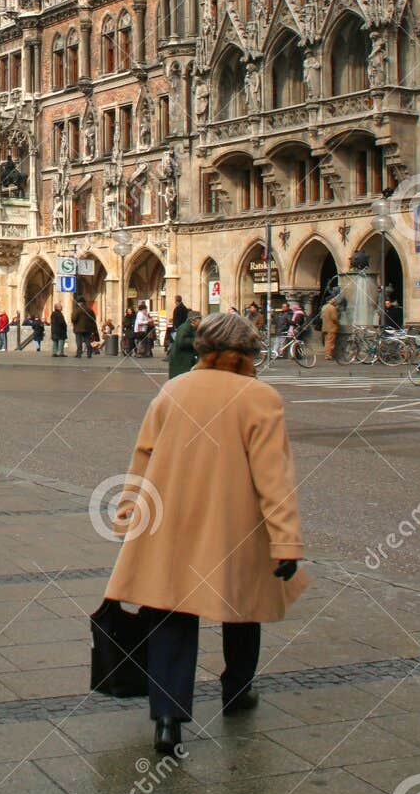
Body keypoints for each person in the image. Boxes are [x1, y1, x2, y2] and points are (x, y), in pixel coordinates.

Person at [104, 312, 305, 756]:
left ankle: (167, 719)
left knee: (171, 610)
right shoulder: (260, 397)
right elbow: (274, 477)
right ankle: (236, 690)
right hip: (235, 525)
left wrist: (128, 514)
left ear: (202, 350)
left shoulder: (173, 391)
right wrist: (285, 541)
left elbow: (143, 457)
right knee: (243, 606)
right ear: (249, 353)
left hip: (170, 522)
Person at [168, 309, 201, 379]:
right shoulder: (184, 328)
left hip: (187, 358)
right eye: (199, 319)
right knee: (180, 378)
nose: (201, 321)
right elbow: (181, 342)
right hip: (181, 359)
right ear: (193, 320)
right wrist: (196, 340)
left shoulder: (194, 328)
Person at [320, 294, 341, 361]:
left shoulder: (324, 307)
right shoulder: (332, 308)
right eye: (333, 299)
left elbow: (321, 317)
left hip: (325, 327)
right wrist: (338, 323)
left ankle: (327, 354)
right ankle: (328, 355)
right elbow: (334, 318)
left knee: (327, 342)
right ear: (330, 300)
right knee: (330, 342)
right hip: (331, 327)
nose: (335, 300)